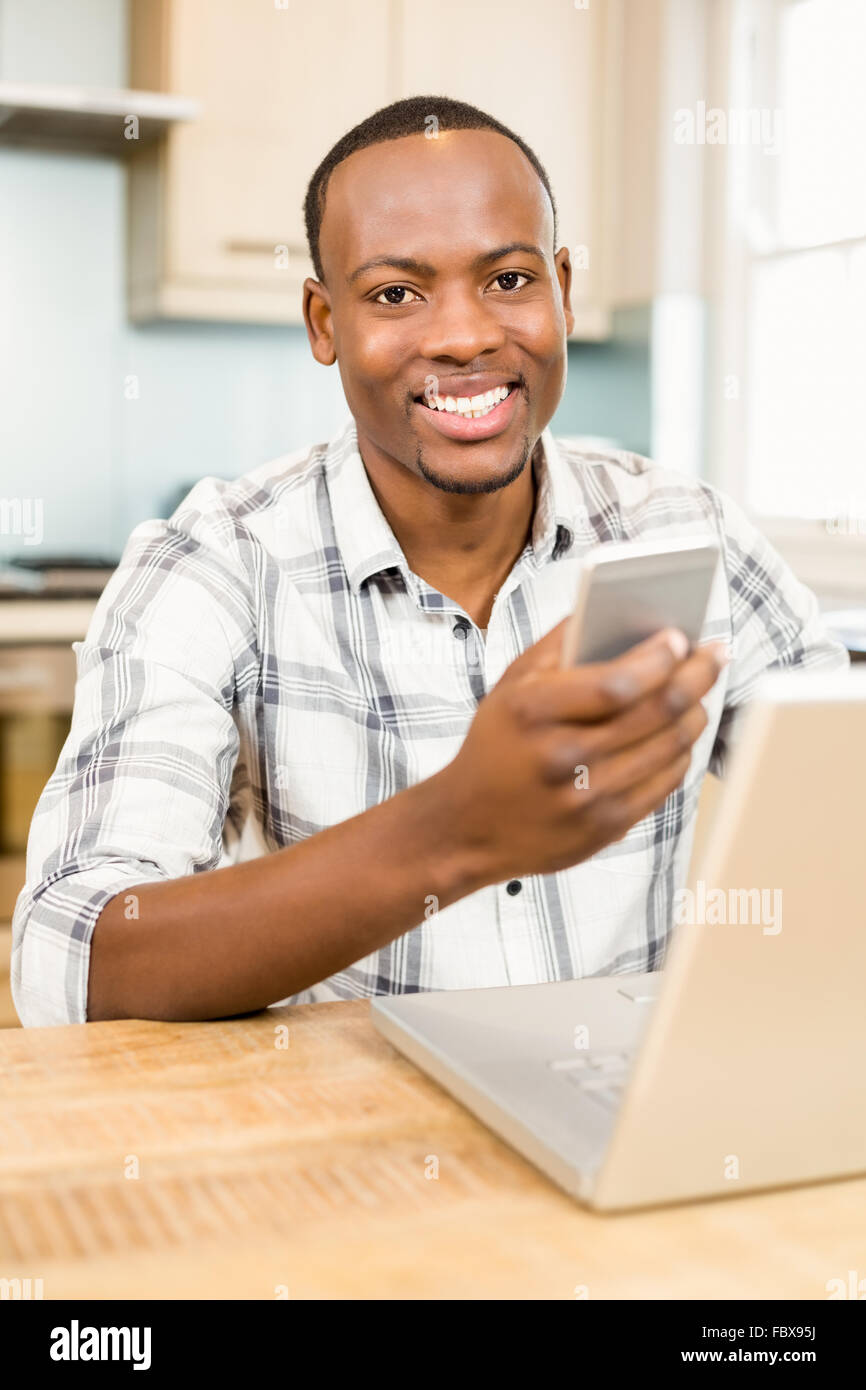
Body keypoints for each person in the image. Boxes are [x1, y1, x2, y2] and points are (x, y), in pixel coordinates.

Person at [11, 96, 847, 1027]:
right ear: (324, 323)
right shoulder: (218, 561)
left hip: (629, 1120)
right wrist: (454, 830)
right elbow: (70, 958)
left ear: (563, 291)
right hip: (351, 1137)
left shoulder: (687, 531)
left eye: (509, 279)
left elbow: (840, 812)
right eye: (396, 294)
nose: (464, 336)